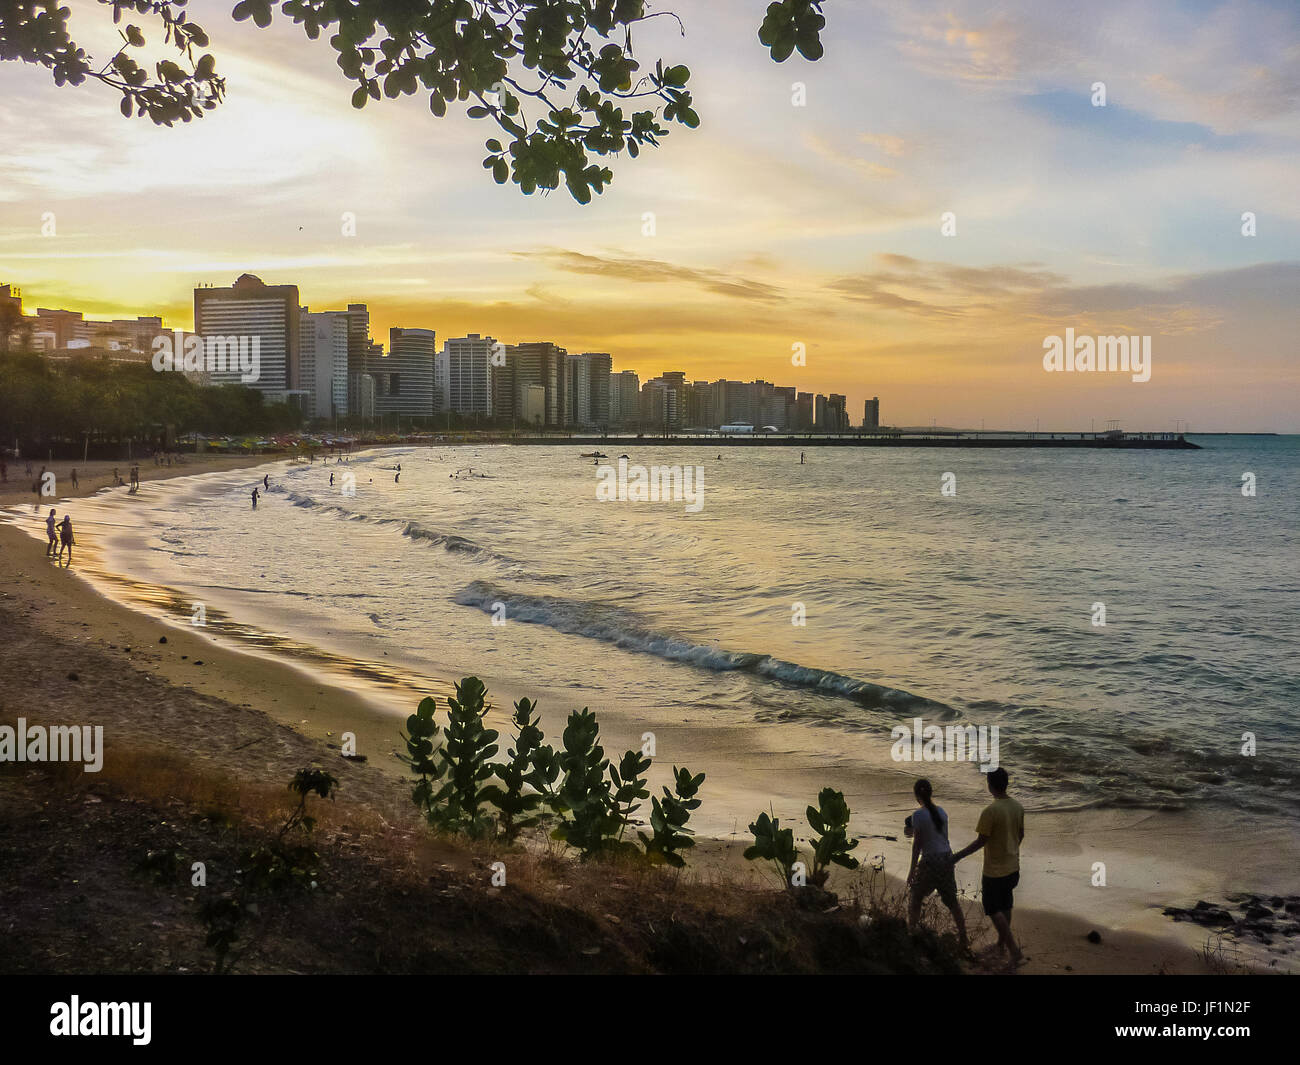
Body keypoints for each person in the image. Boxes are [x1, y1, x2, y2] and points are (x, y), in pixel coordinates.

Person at [952, 767, 1026, 967]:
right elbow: (1021, 834)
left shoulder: (990, 811)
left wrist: (957, 856)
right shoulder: (1018, 807)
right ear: (1006, 784)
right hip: (1013, 867)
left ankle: (1013, 949)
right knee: (1006, 904)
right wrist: (1012, 849)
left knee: (992, 907)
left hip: (994, 871)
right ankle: (1001, 944)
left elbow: (980, 842)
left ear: (990, 786)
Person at [905, 778, 968, 952]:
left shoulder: (917, 815)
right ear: (931, 793)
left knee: (916, 896)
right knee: (952, 901)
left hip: (931, 860)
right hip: (947, 859)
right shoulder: (942, 812)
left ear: (917, 795)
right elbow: (943, 839)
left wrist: (911, 871)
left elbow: (918, 845)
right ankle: (963, 938)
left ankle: (912, 932)